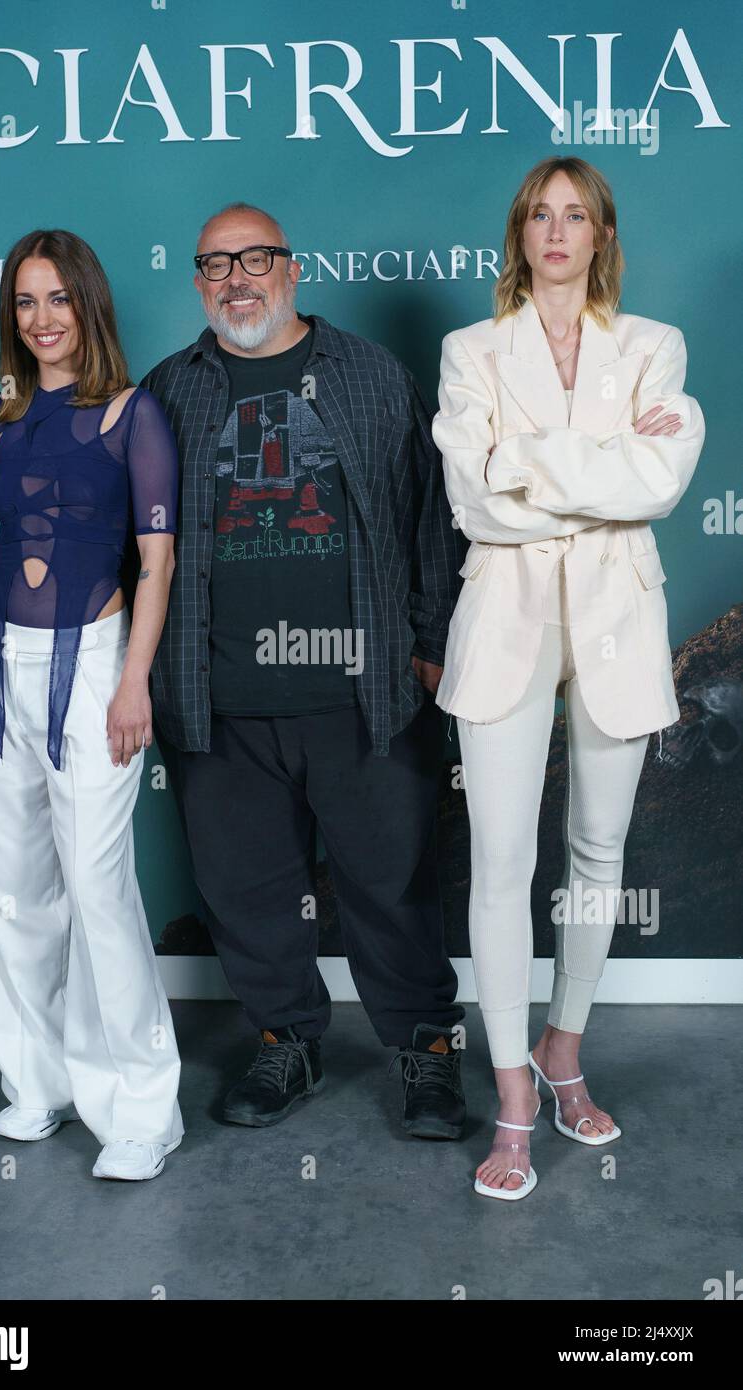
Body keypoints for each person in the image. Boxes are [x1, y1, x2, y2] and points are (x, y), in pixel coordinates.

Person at [140, 202, 468, 1135]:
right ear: (198, 281)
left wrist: (430, 645)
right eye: (214, 265)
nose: (235, 278)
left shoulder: (370, 378)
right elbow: (141, 547)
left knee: (392, 883)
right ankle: (286, 1038)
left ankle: (426, 1051)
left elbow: (432, 522)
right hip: (221, 701)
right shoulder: (171, 390)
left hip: (366, 694)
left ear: (291, 269)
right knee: (245, 887)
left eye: (254, 259)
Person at [432, 157, 705, 1199]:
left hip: (614, 619)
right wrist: (598, 469)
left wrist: (527, 457)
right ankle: (508, 1097)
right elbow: (473, 499)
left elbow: (661, 481)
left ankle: (562, 1051)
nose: (556, 230)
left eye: (575, 214)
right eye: (538, 214)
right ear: (518, 232)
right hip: (500, 618)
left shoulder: (652, 348)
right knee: (499, 861)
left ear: (599, 235)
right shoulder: (468, 351)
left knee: (596, 846)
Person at [0, 229, 183, 1181]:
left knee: (95, 883)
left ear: (89, 303)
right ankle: (35, 1085)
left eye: (58, 299)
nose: (42, 320)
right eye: (25, 302)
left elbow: (157, 560)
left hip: (95, 663)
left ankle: (138, 1110)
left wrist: (135, 681)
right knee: (8, 884)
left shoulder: (133, 416)